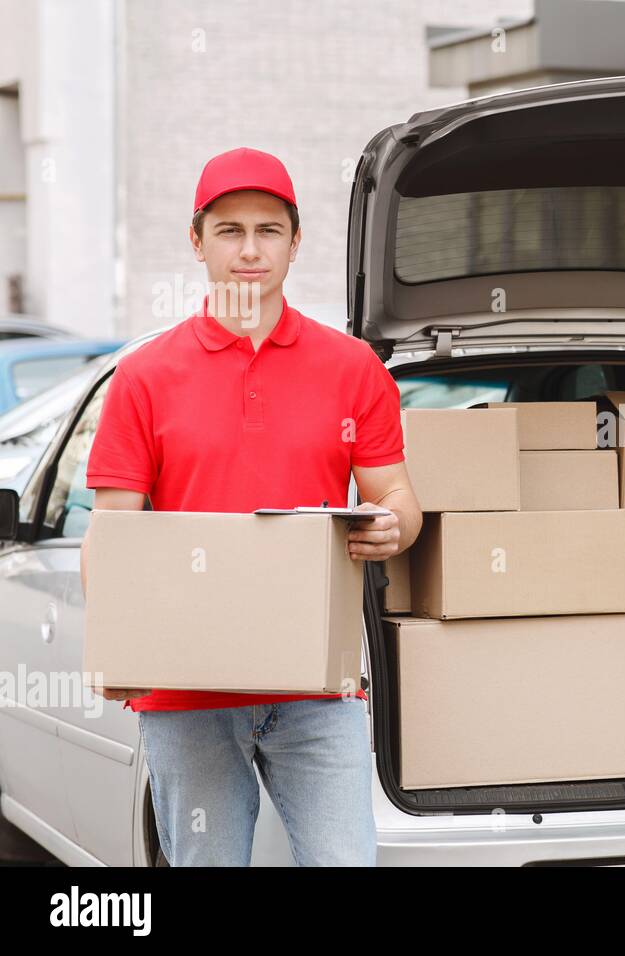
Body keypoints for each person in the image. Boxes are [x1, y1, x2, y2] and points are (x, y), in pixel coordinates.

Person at [80, 147, 422, 866]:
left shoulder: (352, 367)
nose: (249, 250)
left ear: (296, 244)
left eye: (269, 230)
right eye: (229, 230)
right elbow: (113, 535)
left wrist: (392, 526)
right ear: (196, 241)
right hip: (187, 693)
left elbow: (397, 497)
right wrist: (112, 647)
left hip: (316, 690)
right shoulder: (145, 376)